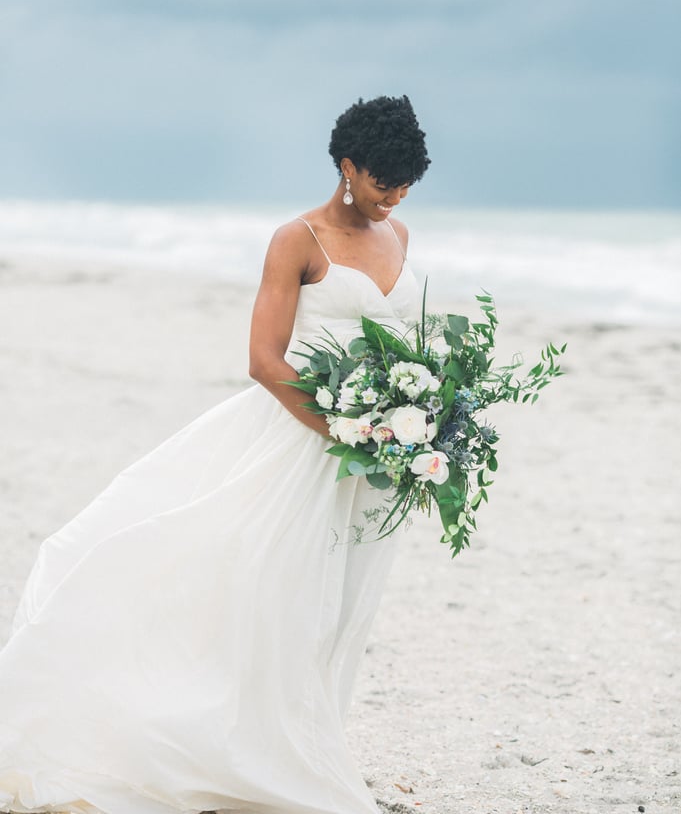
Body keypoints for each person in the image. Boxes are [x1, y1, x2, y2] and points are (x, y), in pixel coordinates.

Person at [0, 95, 431, 814]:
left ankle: (308, 743)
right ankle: (232, 751)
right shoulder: (298, 239)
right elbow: (264, 361)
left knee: (339, 607)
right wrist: (349, 428)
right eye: (384, 181)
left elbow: (406, 347)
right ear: (347, 167)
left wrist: (420, 418)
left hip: (377, 464)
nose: (394, 198)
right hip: (300, 442)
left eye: (407, 185)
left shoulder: (401, 236)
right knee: (264, 597)